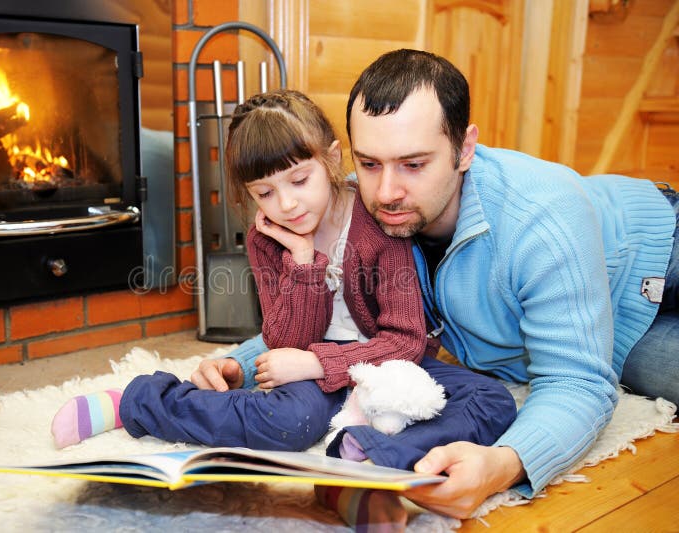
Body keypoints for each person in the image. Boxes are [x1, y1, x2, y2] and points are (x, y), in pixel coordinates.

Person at [206, 49, 678, 521]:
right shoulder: (352, 210)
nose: (386, 191)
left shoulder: (540, 216)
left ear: (464, 149)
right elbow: (333, 323)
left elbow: (575, 382)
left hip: (654, 243)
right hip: (624, 333)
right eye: (370, 164)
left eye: (413, 164)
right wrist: (239, 364)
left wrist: (503, 463)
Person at [50, 90, 516, 479]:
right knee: (288, 425)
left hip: (385, 366)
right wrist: (303, 262)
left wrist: (317, 361)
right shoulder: (267, 239)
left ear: (331, 159)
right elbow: (284, 340)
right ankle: (141, 402)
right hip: (305, 370)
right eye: (265, 193)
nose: (288, 204)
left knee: (491, 399)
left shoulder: (376, 222)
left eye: (300, 179)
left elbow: (407, 340)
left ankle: (368, 449)